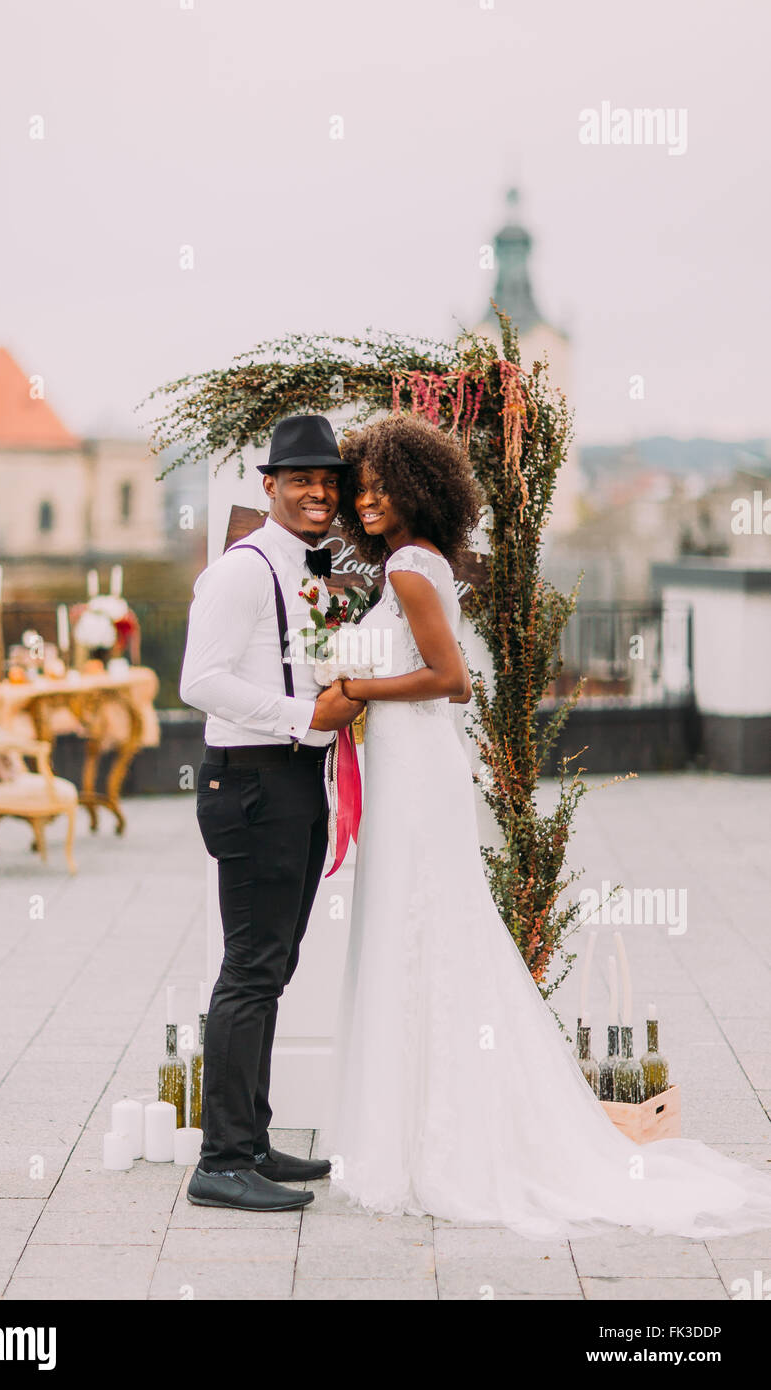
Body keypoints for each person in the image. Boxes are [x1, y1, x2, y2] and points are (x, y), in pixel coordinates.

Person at [319, 411, 771, 1240]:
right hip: (409, 774)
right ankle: (426, 1127)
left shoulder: (414, 570)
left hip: (418, 781)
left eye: (386, 485)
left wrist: (355, 688)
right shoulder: (408, 567)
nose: (371, 498)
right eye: (363, 488)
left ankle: (437, 1140)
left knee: (423, 929)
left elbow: (451, 680)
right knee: (424, 931)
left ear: (419, 488)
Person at [180, 413, 363, 1213]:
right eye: (302, 479)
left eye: (329, 480)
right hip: (251, 782)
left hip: (292, 783)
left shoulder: (308, 570)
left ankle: (251, 1139)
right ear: (270, 486)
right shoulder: (245, 570)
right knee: (250, 970)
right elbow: (201, 680)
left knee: (273, 966)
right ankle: (220, 1160)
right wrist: (305, 717)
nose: (319, 491)